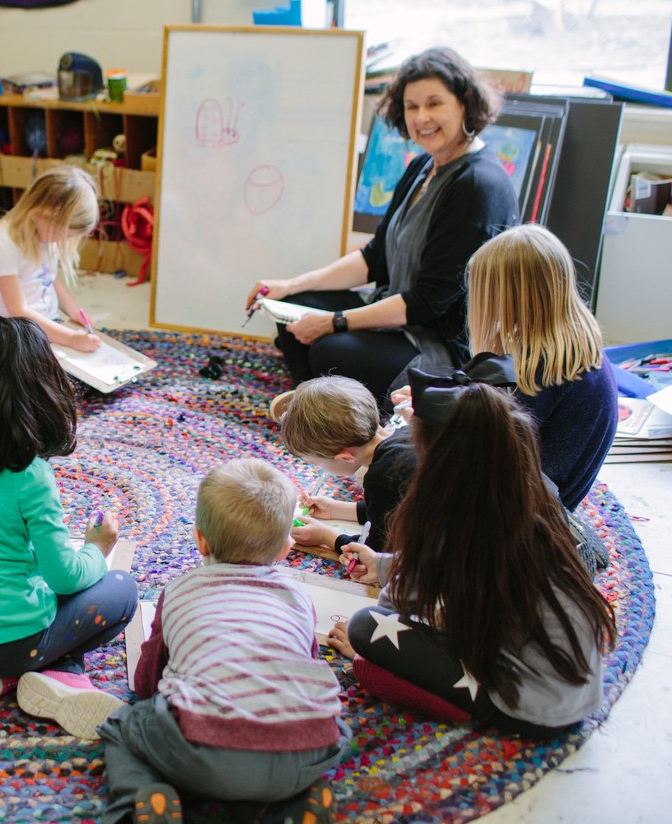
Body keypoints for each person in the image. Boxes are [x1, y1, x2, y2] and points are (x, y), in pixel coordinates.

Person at [327, 381, 616, 736]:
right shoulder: (530, 499)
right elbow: (441, 574)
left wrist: (363, 652)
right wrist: (385, 565)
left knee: (366, 630)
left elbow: (400, 604)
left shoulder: (452, 518)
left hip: (528, 707)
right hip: (568, 689)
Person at [246, 47, 519, 408]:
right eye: (412, 106)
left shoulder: (478, 185)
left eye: (434, 103)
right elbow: (375, 258)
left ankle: (328, 411)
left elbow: (427, 303)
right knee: (292, 306)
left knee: (329, 347)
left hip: (437, 346)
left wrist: (336, 322)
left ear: (465, 103)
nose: (422, 117)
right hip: (397, 316)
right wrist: (290, 284)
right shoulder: (424, 165)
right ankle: (322, 404)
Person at [98, 459, 345, 824]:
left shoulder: (180, 589)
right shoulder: (298, 597)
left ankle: (139, 801)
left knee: (122, 726)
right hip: (305, 751)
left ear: (200, 539)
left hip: (205, 755)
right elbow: (305, 665)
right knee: (335, 722)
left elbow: (148, 681)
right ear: (284, 549)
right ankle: (286, 807)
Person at [0, 314, 137, 739]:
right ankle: (60, 674)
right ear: (39, 392)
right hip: (14, 641)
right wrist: (96, 548)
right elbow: (63, 576)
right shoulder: (31, 476)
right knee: (123, 591)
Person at [465, 225, 618, 510]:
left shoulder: (544, 371)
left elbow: (484, 455)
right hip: (548, 495)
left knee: (401, 462)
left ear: (511, 299)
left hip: (531, 513)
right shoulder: (570, 346)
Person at [277, 376, 416, 557]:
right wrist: (338, 509)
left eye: (318, 463)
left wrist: (327, 537)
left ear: (345, 458)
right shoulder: (406, 434)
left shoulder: (382, 476)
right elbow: (391, 508)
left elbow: (376, 552)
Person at [0, 165, 102, 352]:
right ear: (40, 215)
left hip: (45, 325)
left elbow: (50, 278)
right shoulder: (4, 243)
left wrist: (73, 311)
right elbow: (18, 310)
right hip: (14, 336)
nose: (62, 240)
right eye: (64, 234)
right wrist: (70, 339)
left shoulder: (44, 234)